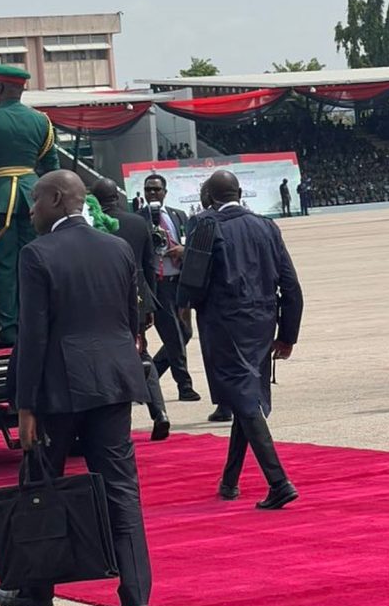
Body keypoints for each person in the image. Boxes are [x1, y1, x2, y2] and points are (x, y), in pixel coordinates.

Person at [0, 171, 153, 606]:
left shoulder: (37, 254)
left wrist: (24, 406)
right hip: (113, 384)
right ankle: (136, 599)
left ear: (58, 199)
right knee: (120, 488)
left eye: (35, 200)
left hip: (58, 389)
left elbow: (33, 336)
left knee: (41, 486)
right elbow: (131, 319)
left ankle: (36, 591)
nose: (29, 210)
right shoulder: (117, 247)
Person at [179, 171, 303, 509]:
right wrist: (287, 334)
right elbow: (291, 285)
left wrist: (183, 306)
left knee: (244, 398)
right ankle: (230, 480)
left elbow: (193, 281)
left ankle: (278, 482)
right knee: (244, 396)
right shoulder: (267, 226)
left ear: (208, 197)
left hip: (225, 325)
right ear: (240, 191)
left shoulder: (205, 224)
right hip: (262, 323)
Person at [0, 64, 59, 347]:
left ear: (0, 88)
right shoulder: (41, 120)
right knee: (34, 264)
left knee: (4, 268)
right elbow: (52, 167)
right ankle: (38, 326)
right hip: (34, 198)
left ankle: (9, 330)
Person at [91, 177, 170, 441]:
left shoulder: (94, 225)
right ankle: (159, 412)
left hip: (107, 299)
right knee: (141, 352)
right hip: (138, 297)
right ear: (117, 197)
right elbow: (150, 265)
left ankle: (115, 421)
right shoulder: (138, 222)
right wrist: (150, 303)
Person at [140, 174, 200, 402]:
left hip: (180, 282)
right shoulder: (139, 219)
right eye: (148, 189)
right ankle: (185, 386)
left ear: (165, 192)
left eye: (156, 189)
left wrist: (184, 250)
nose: (152, 193)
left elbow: (191, 243)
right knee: (173, 335)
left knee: (185, 333)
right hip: (158, 284)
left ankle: (147, 377)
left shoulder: (179, 215)